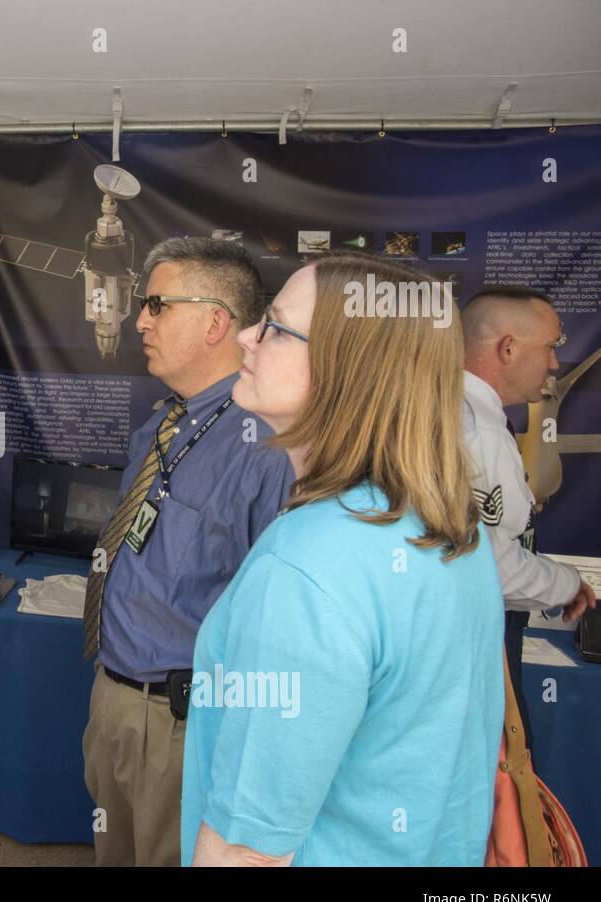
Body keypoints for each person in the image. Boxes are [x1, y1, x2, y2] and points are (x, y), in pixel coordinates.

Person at [181, 254, 504, 866]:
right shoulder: (451, 526)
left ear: (347, 370)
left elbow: (246, 850)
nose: (247, 336)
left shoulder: (304, 571)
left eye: (275, 327)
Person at [81, 237, 295, 866]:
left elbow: (276, 620)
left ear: (215, 322)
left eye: (156, 305)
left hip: (184, 725)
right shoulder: (159, 427)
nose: (139, 320)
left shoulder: (267, 448)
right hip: (113, 701)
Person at [461, 286, 596, 750]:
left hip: (471, 633)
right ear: (509, 348)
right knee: (502, 780)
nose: (556, 363)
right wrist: (565, 585)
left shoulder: (466, 415)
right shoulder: (475, 429)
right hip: (475, 639)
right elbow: (484, 566)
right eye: (551, 347)